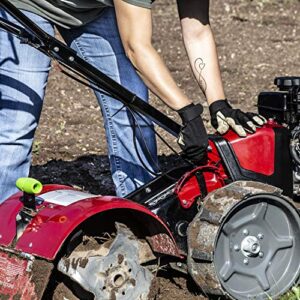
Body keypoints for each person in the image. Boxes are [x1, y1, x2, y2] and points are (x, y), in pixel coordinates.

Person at [0, 0, 265, 203]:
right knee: (17, 122)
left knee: (132, 106)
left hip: (92, 8)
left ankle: (144, 208)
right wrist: (188, 113)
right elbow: (136, 48)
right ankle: (4, 227)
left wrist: (218, 103)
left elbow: (197, 32)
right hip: (29, 6)